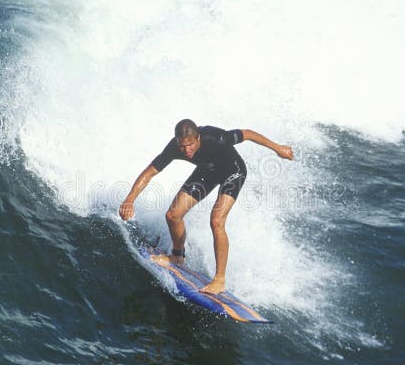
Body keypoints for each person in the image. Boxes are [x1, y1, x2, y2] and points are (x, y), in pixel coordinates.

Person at [119, 119, 294, 294]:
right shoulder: (174, 147)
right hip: (207, 172)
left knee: (216, 221)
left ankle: (219, 280)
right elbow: (150, 172)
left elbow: (247, 134)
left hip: (233, 172)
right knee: (173, 215)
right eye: (182, 146)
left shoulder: (216, 137)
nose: (186, 150)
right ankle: (178, 256)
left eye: (190, 145)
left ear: (198, 138)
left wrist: (278, 148)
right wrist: (130, 199)